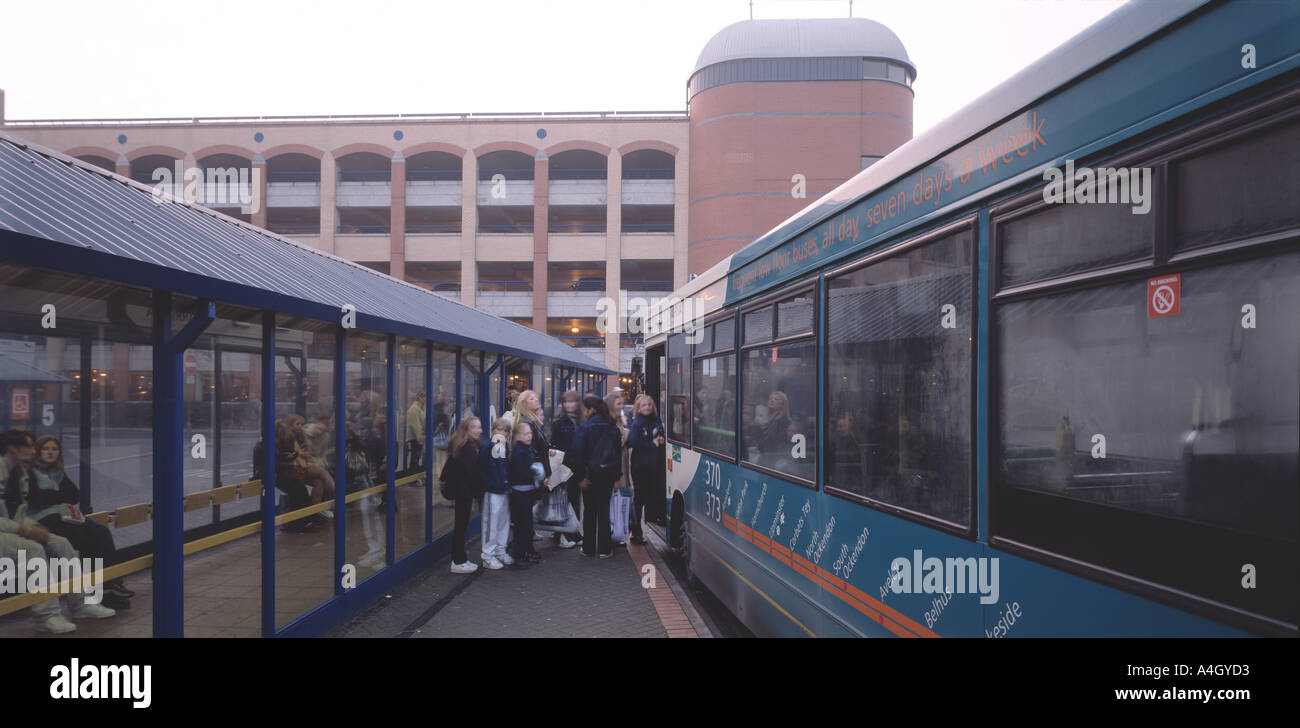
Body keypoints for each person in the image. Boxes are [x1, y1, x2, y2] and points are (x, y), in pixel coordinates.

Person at [1, 430, 116, 632]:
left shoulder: (19, 473)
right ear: (12, 449)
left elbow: (16, 512)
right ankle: (47, 616)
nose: (33, 451)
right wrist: (24, 529)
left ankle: (82, 603)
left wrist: (31, 526)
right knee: (33, 550)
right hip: (5, 532)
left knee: (61, 543)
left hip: (10, 529)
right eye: (28, 446)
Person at [29, 436, 133, 609]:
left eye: (54, 449)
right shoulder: (31, 472)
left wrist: (52, 497)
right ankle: (103, 588)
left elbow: (74, 495)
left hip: (61, 516)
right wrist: (57, 497)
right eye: (46, 449)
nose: (50, 452)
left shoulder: (57, 472)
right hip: (42, 520)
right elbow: (36, 500)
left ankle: (110, 585)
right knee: (90, 539)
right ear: (38, 451)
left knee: (101, 532)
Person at [564, 396, 621, 559]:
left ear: (591, 410)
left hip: (589, 475)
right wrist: (617, 478)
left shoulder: (584, 428)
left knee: (589, 510)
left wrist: (580, 477)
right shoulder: (613, 427)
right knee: (604, 510)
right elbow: (617, 456)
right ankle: (604, 548)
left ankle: (588, 548)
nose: (583, 411)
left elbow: (577, 454)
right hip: (607, 475)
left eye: (585, 409)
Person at [511, 389, 555, 552]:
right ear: (524, 404)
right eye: (531, 398)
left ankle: (526, 548)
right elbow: (532, 451)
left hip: (534, 474)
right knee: (524, 517)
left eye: (536, 398)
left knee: (527, 515)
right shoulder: (527, 423)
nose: (536, 400)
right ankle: (524, 550)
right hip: (531, 476)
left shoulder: (532, 422)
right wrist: (541, 475)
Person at [442, 417, 484, 573]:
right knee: (461, 526)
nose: (479, 430)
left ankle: (459, 559)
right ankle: (458, 561)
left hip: (461, 490)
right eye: (475, 427)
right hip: (463, 492)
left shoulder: (462, 444)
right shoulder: (466, 447)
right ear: (467, 430)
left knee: (460, 525)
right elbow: (471, 473)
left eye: (479, 427)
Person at [626, 394, 666, 543]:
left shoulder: (656, 420)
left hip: (655, 465)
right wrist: (651, 444)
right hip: (640, 466)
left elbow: (660, 434)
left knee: (654, 495)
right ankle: (636, 532)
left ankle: (656, 519)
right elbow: (633, 442)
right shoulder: (637, 423)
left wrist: (661, 438)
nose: (647, 407)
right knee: (639, 499)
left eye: (649, 405)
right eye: (643, 405)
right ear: (638, 408)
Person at [477, 417, 514, 570]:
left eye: (505, 431)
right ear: (493, 430)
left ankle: (500, 550)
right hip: (492, 490)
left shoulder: (506, 447)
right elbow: (481, 468)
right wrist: (489, 484)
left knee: (503, 521)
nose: (502, 433)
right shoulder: (487, 447)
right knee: (491, 523)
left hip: (504, 489)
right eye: (499, 429)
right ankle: (488, 555)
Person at [550, 390, 584, 549]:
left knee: (575, 500)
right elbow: (555, 446)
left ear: (578, 403)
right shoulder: (558, 423)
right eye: (566, 401)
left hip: (578, 467)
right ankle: (561, 535)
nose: (569, 404)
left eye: (572, 401)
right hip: (564, 467)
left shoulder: (582, 421)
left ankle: (574, 533)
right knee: (563, 501)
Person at [507, 421, 540, 569]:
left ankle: (524, 553)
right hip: (521, 493)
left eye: (530, 433)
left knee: (525, 525)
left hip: (525, 491)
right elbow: (521, 472)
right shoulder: (520, 451)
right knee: (522, 526)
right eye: (525, 434)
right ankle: (518, 556)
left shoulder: (526, 449)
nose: (529, 436)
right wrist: (536, 473)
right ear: (518, 436)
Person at [605, 392, 632, 546]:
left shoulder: (618, 421)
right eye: (619, 404)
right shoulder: (609, 423)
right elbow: (617, 443)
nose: (622, 406)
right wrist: (627, 432)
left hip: (622, 467)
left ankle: (619, 531)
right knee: (614, 502)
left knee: (620, 501)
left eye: (622, 403)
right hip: (615, 468)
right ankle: (614, 532)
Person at [405, 392, 426, 475]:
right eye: (424, 397)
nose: (425, 400)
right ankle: (412, 476)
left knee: (416, 457)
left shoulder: (420, 408)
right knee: (415, 457)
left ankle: (414, 475)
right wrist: (420, 438)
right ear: (419, 398)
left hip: (417, 437)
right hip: (415, 438)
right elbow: (416, 425)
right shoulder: (414, 409)